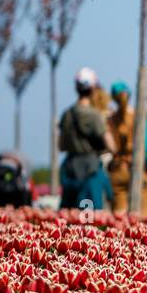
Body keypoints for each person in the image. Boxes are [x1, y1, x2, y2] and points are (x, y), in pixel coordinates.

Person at [58, 67, 113, 211]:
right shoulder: (95, 116)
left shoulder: (67, 114)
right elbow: (111, 145)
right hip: (90, 169)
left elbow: (61, 145)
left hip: (70, 169)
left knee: (69, 218)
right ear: (93, 88)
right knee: (88, 219)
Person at [108, 82, 147, 215]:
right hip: (141, 168)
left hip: (119, 168)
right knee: (143, 216)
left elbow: (110, 146)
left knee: (119, 217)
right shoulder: (142, 115)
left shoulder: (111, 119)